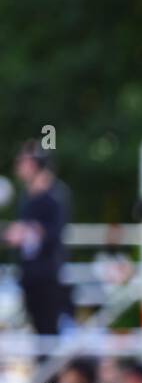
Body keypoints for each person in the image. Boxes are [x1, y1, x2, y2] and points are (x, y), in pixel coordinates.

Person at [4, 142, 72, 339]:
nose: (18, 166)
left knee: (48, 330)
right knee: (37, 330)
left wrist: (28, 232)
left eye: (22, 161)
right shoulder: (27, 196)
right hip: (30, 275)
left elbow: (54, 232)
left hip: (48, 275)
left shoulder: (55, 195)